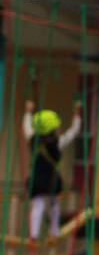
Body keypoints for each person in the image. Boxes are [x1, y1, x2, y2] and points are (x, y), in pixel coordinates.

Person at [22, 101, 82, 241]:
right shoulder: (57, 143)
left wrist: (28, 112)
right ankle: (54, 232)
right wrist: (77, 115)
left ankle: (34, 235)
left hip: (36, 180)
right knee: (54, 207)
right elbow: (72, 133)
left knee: (37, 206)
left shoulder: (33, 141)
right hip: (51, 181)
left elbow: (26, 127)